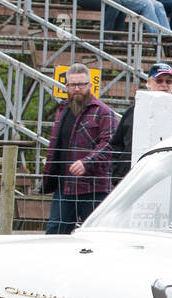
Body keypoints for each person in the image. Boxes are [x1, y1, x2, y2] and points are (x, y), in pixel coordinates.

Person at [43, 62, 117, 235]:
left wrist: (87, 162)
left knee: (96, 236)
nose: (77, 89)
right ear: (66, 86)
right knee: (54, 234)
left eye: (81, 84)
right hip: (64, 186)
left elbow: (109, 144)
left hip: (93, 188)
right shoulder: (62, 110)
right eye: (72, 85)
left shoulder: (103, 112)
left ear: (90, 85)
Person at [109, 61, 172, 182]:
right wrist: (118, 173)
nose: (164, 85)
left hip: (168, 182)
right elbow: (116, 145)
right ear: (148, 83)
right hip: (130, 180)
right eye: (159, 80)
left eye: (168, 81)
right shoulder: (132, 113)